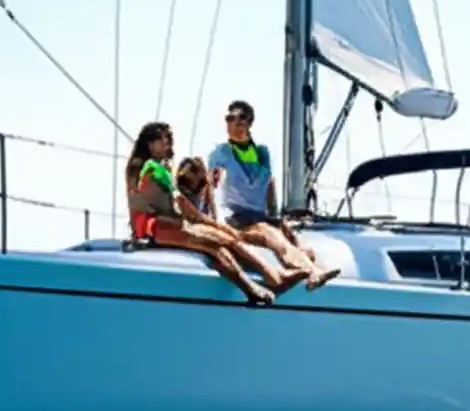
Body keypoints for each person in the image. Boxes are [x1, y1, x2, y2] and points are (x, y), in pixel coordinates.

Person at [125, 121, 308, 305]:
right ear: (150, 143)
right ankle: (261, 283)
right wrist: (210, 223)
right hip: (157, 227)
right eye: (163, 141)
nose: (168, 145)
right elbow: (179, 202)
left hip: (161, 224)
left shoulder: (145, 167)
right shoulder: (150, 168)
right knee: (217, 243)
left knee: (224, 243)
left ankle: (269, 278)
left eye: (168, 141)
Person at [207, 100, 341, 290]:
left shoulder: (262, 152)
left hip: (260, 215)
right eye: (230, 118)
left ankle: (314, 267)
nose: (234, 123)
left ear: (250, 123)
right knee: (271, 235)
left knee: (294, 238)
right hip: (236, 219)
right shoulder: (221, 152)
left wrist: (275, 214)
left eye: (241, 118)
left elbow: (269, 183)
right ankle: (312, 272)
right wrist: (210, 219)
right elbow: (209, 185)